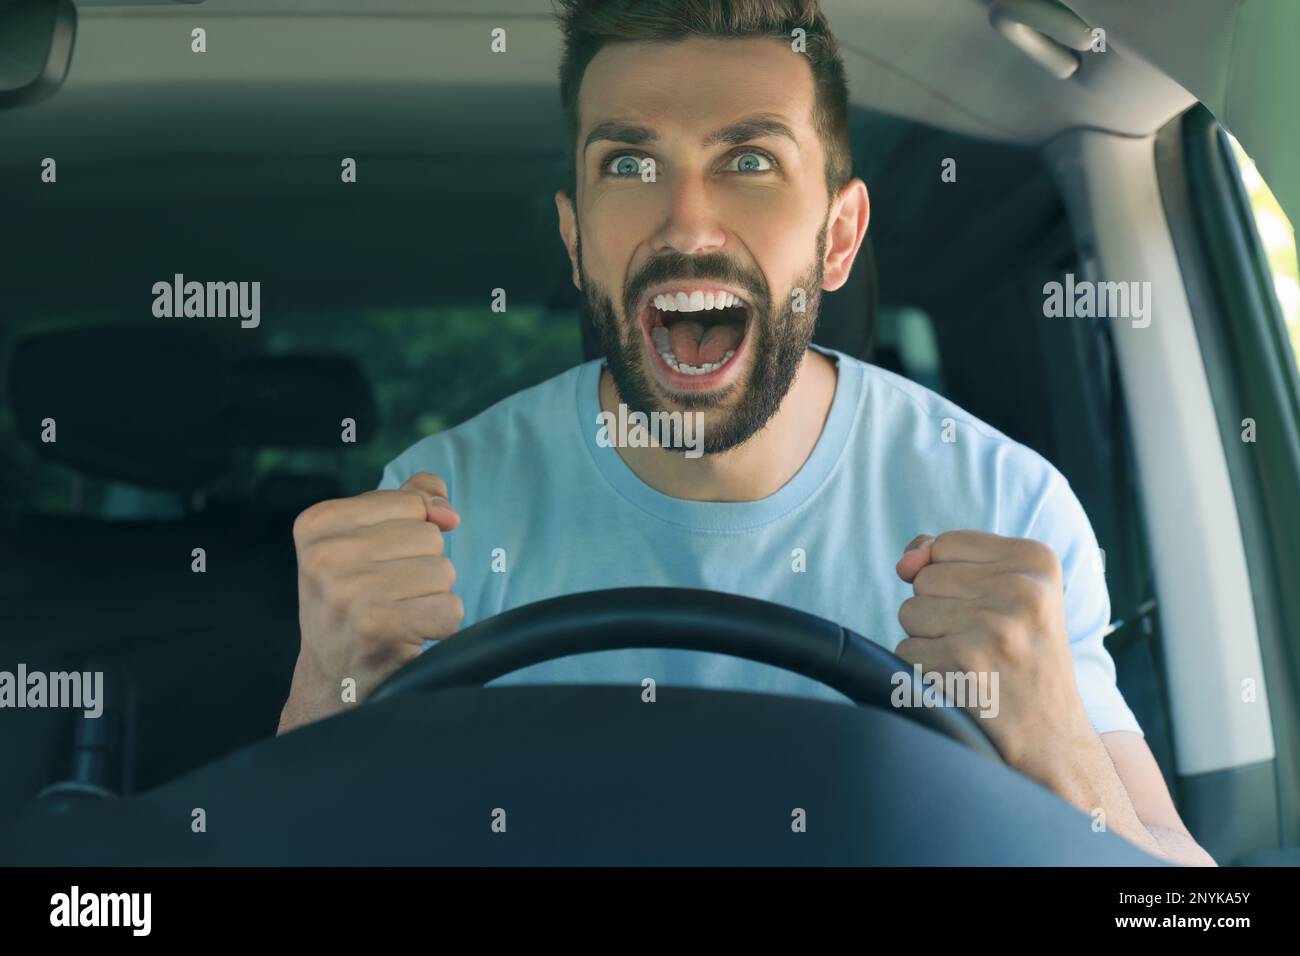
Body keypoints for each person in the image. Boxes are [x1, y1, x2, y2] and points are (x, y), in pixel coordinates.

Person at [278, 0, 1214, 866]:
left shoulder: (1004, 505)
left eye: (750, 160)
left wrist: (1056, 750)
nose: (688, 222)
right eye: (630, 164)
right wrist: (322, 691)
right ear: (574, 240)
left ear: (839, 239)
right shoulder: (438, 511)